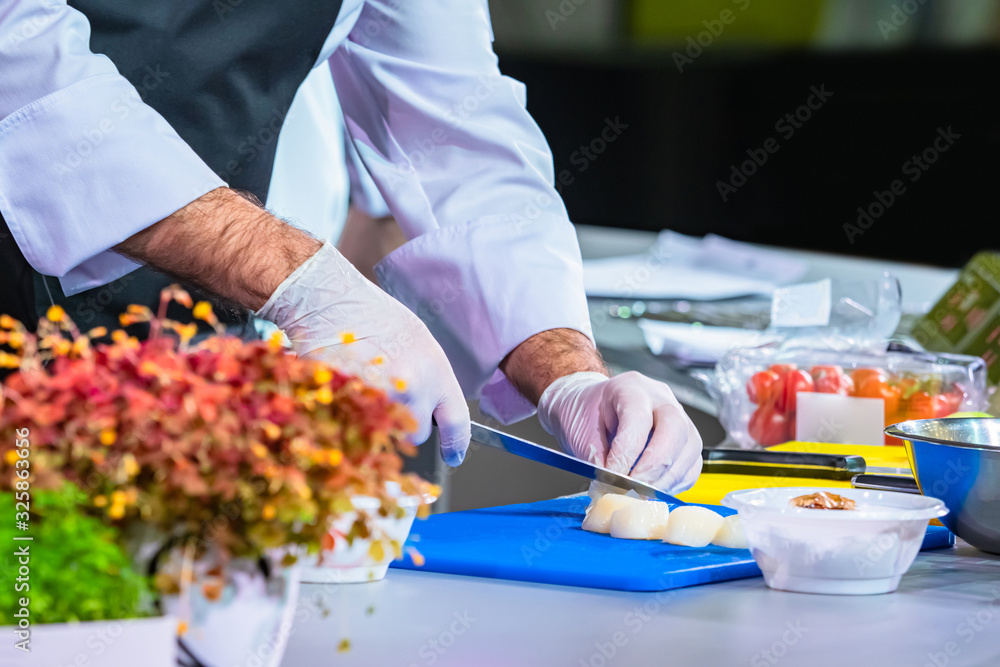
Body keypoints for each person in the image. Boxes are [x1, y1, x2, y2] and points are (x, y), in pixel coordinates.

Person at [0, 0, 702, 492]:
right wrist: (306, 281)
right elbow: (25, 80)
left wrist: (568, 372)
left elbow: (454, 127)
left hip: (182, 361)